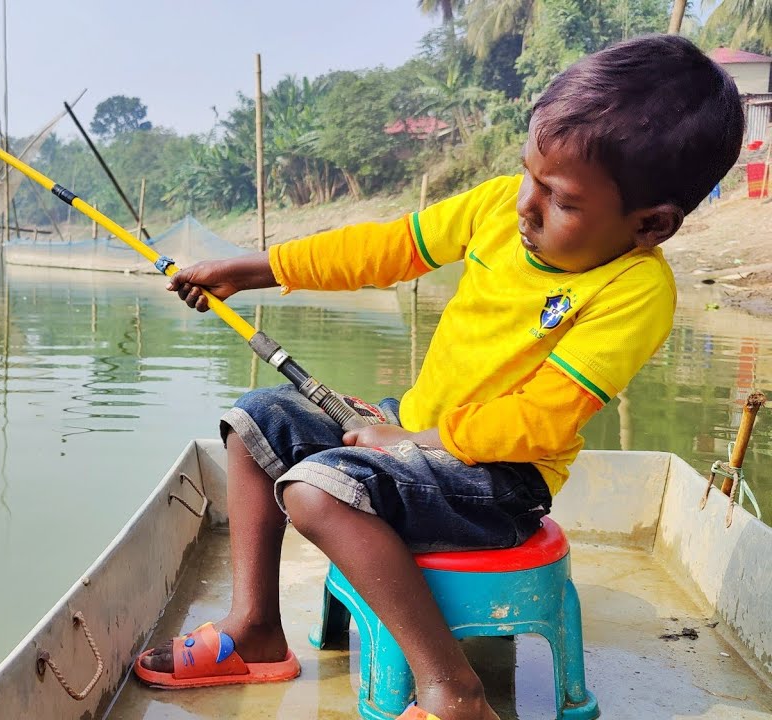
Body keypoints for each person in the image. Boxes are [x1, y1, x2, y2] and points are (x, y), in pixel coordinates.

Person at [134, 34, 744, 720]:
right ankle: (256, 630)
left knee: (316, 493)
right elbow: (388, 247)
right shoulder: (497, 209)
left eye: (562, 200)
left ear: (650, 225)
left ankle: (455, 692)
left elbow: (541, 419)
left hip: (501, 481)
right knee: (257, 422)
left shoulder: (635, 289)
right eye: (529, 175)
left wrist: (413, 441)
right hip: (415, 431)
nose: (527, 205)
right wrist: (257, 269)